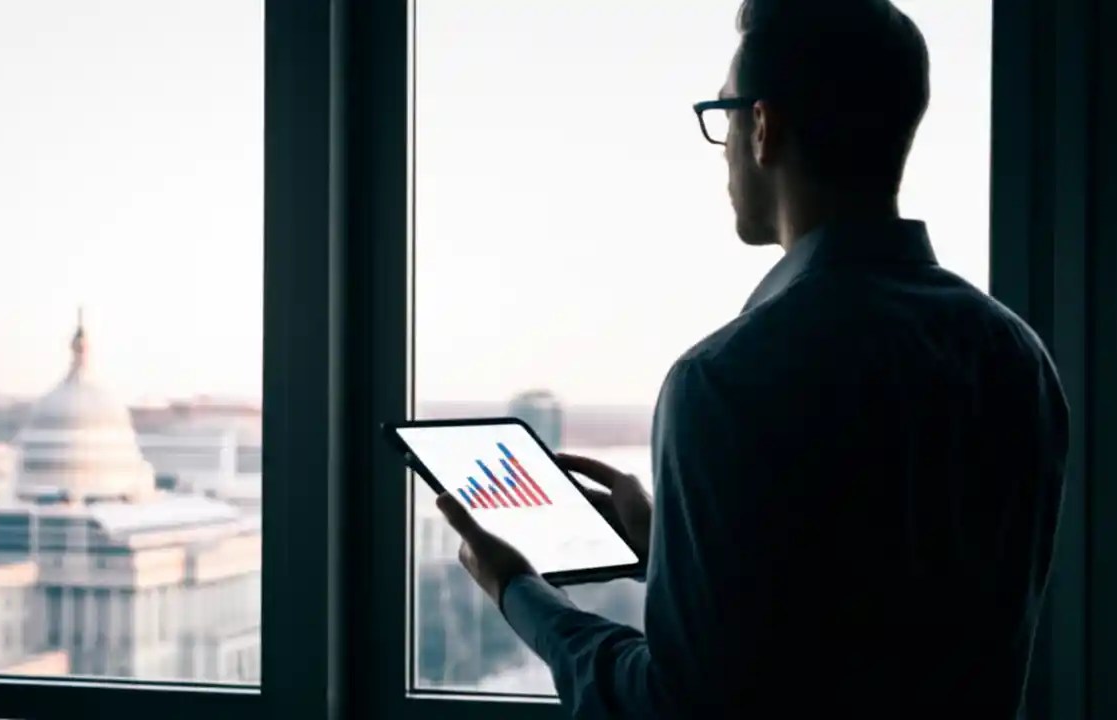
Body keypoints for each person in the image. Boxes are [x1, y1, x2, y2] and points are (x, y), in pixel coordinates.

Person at [436, 0, 1070, 717]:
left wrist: (521, 594)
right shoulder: (1016, 359)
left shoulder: (727, 381)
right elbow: (871, 611)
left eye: (726, 116)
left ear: (762, 127)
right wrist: (669, 552)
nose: (726, 146)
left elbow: (679, 706)